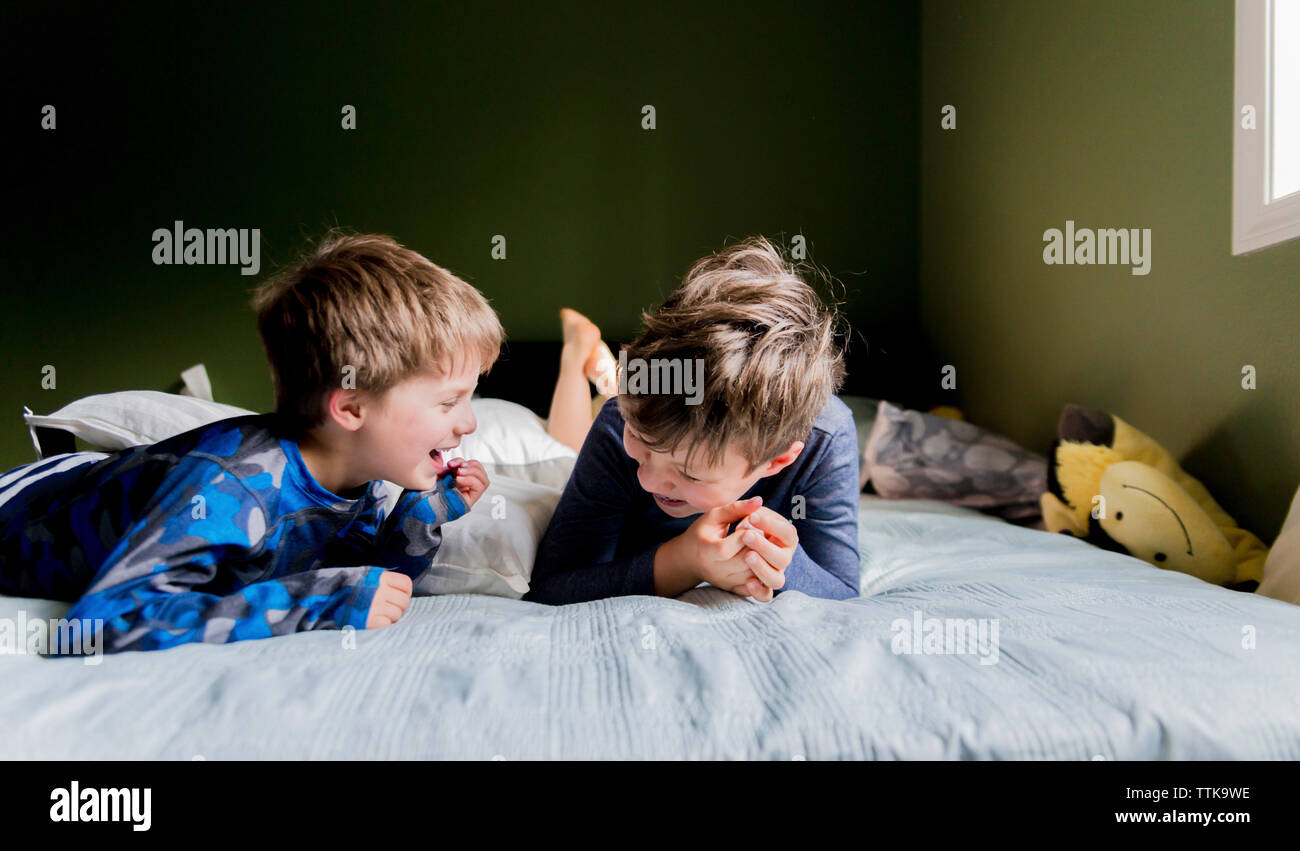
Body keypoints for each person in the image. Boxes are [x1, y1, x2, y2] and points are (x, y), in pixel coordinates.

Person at [0, 233, 502, 653]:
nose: (469, 423)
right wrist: (310, 604)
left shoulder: (357, 479)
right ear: (350, 408)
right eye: (447, 402)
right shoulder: (229, 483)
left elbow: (369, 587)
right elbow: (94, 627)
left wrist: (420, 516)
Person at [526, 237, 860, 606]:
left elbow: (842, 592)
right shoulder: (620, 418)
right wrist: (685, 561)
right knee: (567, 437)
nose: (647, 479)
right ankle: (578, 356)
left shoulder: (827, 437)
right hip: (615, 402)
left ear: (777, 460)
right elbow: (552, 587)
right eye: (641, 444)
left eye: (689, 473)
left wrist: (781, 561)